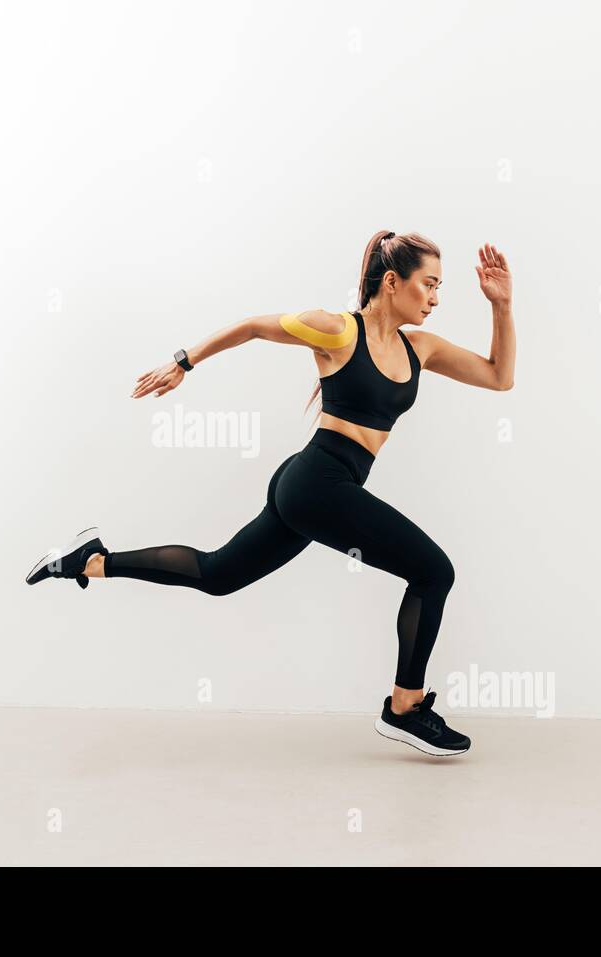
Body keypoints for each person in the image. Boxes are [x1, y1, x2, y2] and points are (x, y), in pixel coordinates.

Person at [26, 232, 516, 756]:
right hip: (316, 485)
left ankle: (90, 561)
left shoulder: (419, 347)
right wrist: (183, 362)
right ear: (393, 282)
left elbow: (498, 377)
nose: (436, 298)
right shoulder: (337, 331)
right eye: (429, 285)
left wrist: (502, 307)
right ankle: (405, 708)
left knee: (218, 575)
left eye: (439, 287)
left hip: (316, 487)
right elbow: (255, 327)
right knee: (433, 571)